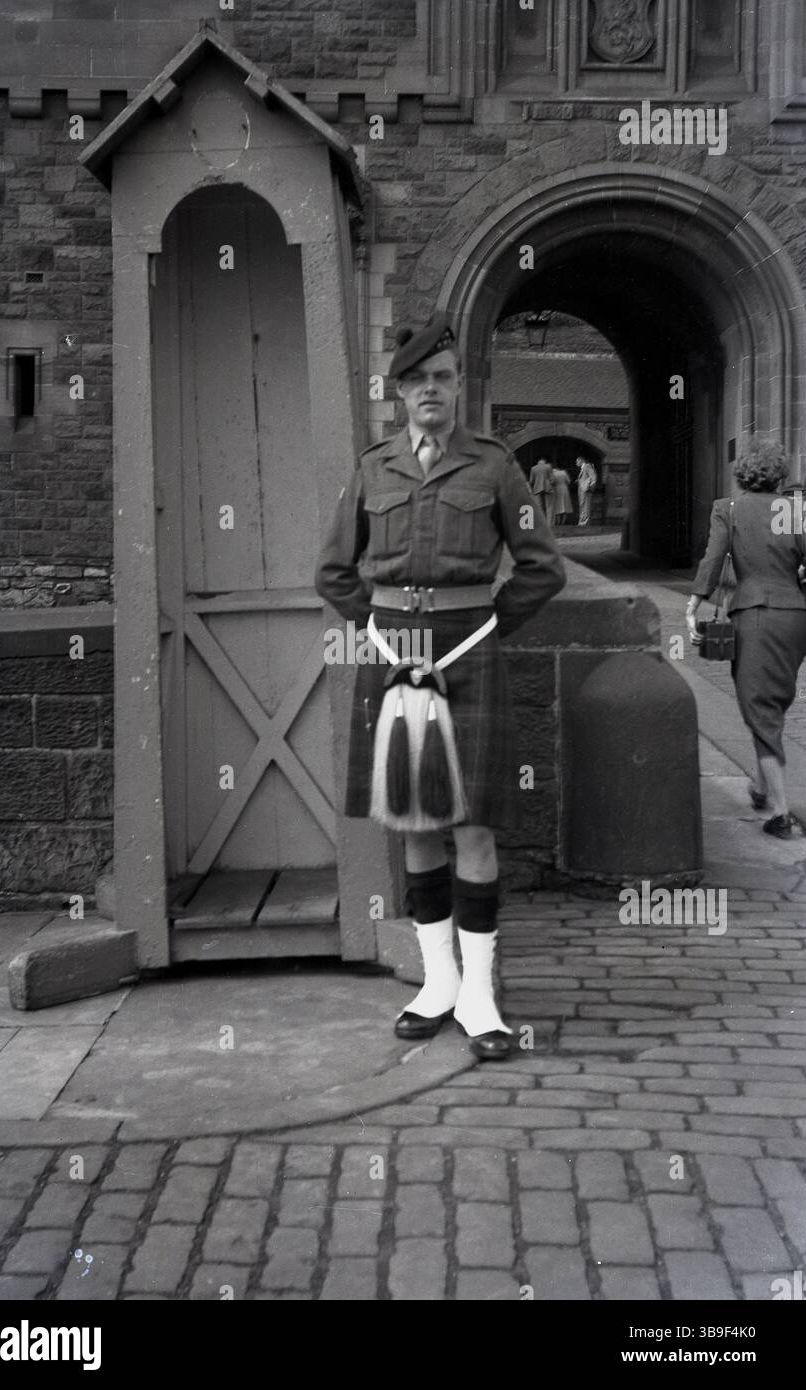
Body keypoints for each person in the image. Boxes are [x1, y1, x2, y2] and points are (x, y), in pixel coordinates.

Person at [315, 313, 566, 1060]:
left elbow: (542, 564)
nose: (432, 391)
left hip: (472, 650)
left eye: (444, 379)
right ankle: (438, 982)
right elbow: (332, 571)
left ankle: (482, 995)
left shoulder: (494, 467)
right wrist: (381, 623)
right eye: (418, 380)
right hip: (395, 653)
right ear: (399, 392)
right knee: (416, 824)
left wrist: (490, 624)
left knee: (475, 826)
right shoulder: (371, 469)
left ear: (460, 389)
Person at [686, 438, 806, 838]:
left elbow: (714, 557)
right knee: (773, 697)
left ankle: (781, 813)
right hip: (795, 617)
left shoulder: (730, 509)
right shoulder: (792, 509)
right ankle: (759, 783)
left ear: (743, 472)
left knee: (758, 701)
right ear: (779, 474)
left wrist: (694, 602)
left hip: (753, 613)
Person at [530, 456, 556, 528]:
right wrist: (552, 484)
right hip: (548, 488)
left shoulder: (533, 468)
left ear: (538, 461)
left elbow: (531, 481)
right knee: (549, 507)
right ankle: (549, 525)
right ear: (544, 461)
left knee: (539, 507)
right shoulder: (548, 466)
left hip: (537, 488)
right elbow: (552, 479)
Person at [576, 456, 597, 526]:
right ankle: (582, 522)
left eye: (577, 461)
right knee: (583, 505)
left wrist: (589, 486)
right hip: (582, 490)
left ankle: (585, 523)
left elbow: (593, 477)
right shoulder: (582, 468)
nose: (576, 463)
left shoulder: (587, 466)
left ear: (581, 461)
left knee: (586, 505)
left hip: (585, 490)